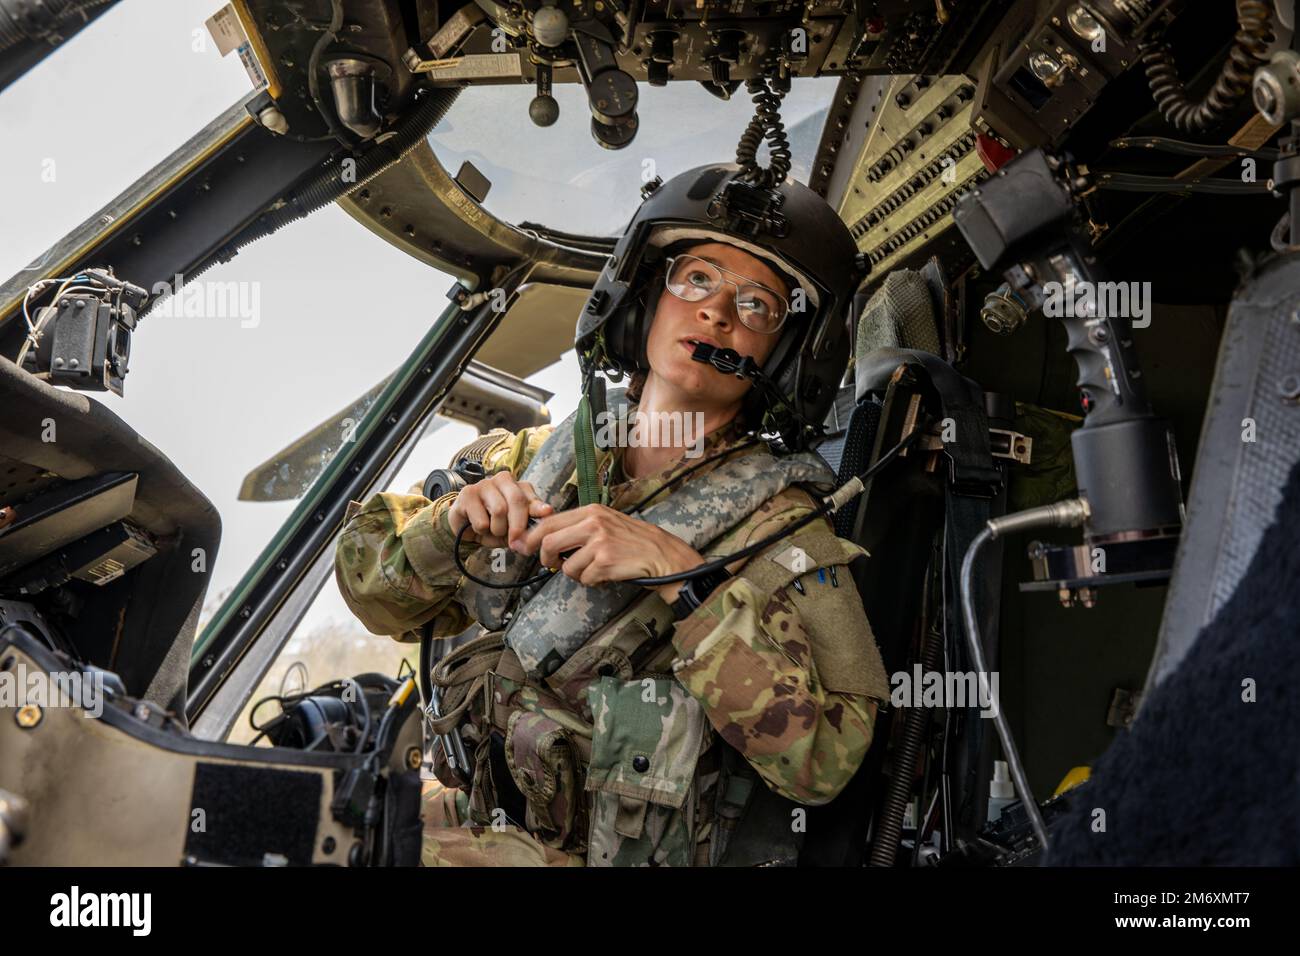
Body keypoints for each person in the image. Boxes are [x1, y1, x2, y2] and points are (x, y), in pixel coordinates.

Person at [334, 163, 891, 866]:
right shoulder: (535, 456)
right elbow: (370, 594)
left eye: (757, 305)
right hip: (476, 812)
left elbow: (827, 765)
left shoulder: (785, 533)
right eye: (697, 279)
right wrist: (447, 526)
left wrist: (683, 579)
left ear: (779, 354)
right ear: (644, 299)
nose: (718, 312)